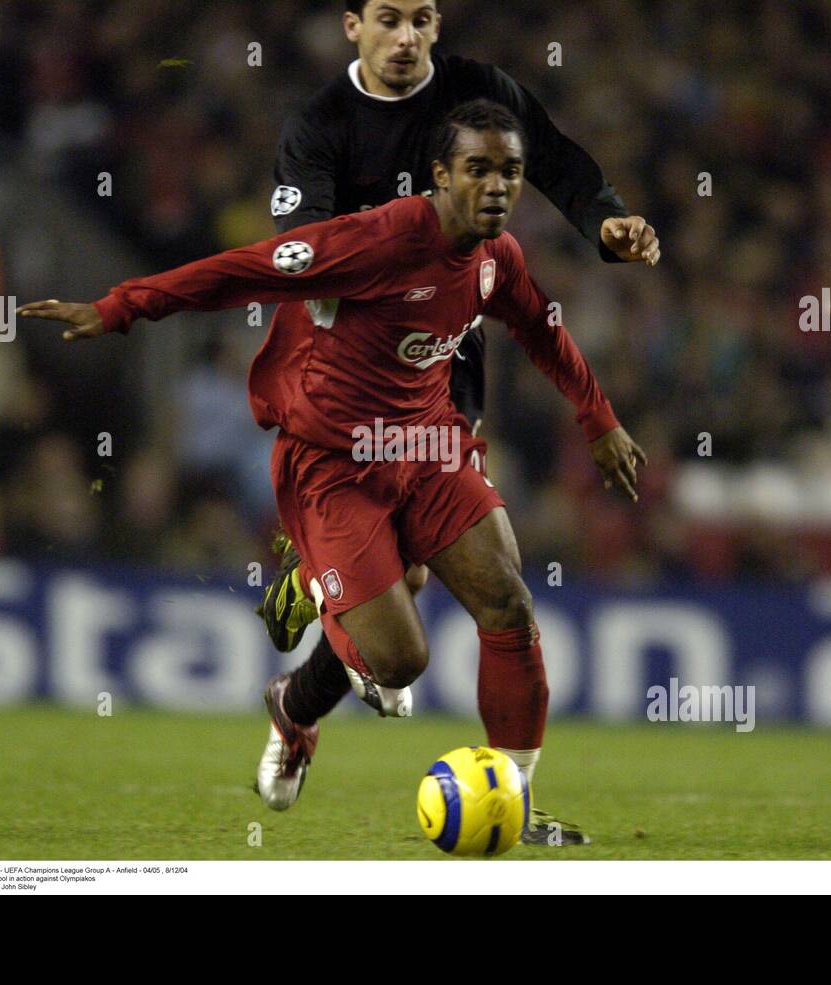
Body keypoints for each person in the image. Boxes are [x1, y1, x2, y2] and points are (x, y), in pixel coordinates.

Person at [19, 100, 646, 842]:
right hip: (334, 467)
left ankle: (512, 797)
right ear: (440, 175)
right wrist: (121, 306)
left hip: (428, 448)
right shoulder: (376, 241)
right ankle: (300, 687)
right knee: (401, 660)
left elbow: (541, 326)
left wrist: (598, 417)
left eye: (511, 171)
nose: (498, 186)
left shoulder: (495, 256)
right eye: (478, 169)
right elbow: (241, 271)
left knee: (509, 607)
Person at [257, 0, 658, 843]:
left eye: (422, 19)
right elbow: (305, 250)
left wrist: (605, 218)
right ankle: (308, 660)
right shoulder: (322, 124)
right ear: (351, 26)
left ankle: (507, 793)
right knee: (397, 603)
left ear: (438, 26)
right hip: (340, 365)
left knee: (492, 595)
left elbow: (551, 157)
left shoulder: (480, 94)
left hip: (442, 355)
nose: (406, 38)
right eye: (388, 19)